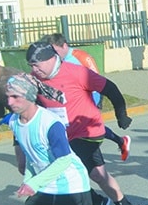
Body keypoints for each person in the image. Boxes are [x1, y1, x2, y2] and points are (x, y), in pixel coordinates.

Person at [6, 73, 121, 205]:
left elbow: (64, 161)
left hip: (71, 184)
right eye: (8, 97)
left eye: (15, 97)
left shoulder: (50, 123)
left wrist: (34, 183)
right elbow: (32, 155)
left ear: (30, 96)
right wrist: (28, 179)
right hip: (45, 183)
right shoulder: (15, 122)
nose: (9, 102)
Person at [26, 41, 138, 205]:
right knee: (97, 174)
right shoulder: (35, 80)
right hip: (65, 135)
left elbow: (109, 88)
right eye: (31, 66)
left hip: (88, 131)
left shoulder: (77, 73)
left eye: (37, 65)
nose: (35, 70)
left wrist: (121, 114)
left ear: (52, 59)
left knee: (64, 167)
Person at [43, 33, 130, 161]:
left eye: (55, 51)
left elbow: (96, 79)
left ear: (64, 46)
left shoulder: (81, 57)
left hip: (90, 97)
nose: (53, 55)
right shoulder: (55, 61)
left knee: (87, 128)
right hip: (67, 101)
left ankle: (114, 146)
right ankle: (119, 142)